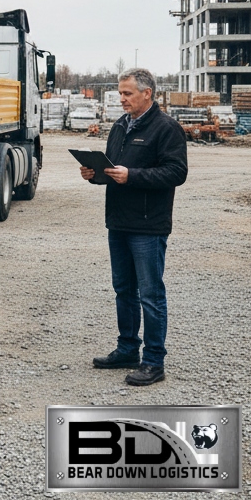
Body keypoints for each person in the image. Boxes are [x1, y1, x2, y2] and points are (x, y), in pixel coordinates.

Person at [80, 68, 187, 386]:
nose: (121, 98)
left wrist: (133, 176)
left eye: (127, 93)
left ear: (147, 94)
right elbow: (113, 167)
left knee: (151, 294)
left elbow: (176, 172)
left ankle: (153, 362)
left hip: (147, 225)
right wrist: (95, 174)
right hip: (119, 222)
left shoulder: (166, 129)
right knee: (124, 290)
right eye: (120, 93)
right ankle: (127, 349)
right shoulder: (119, 127)